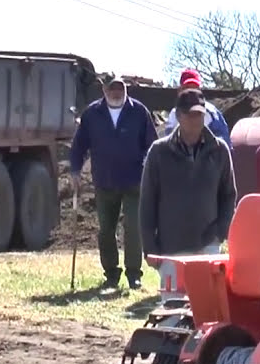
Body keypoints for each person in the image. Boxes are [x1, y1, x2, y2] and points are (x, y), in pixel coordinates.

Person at [139, 89, 238, 298]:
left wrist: (219, 234)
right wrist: (149, 247)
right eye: (191, 114)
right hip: (171, 249)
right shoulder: (159, 152)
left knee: (207, 311)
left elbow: (228, 195)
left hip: (207, 248)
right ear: (178, 116)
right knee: (172, 315)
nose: (196, 120)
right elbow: (147, 202)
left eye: (200, 114)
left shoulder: (220, 151)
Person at [69, 77, 157, 290]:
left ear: (125, 89)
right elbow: (79, 145)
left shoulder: (139, 112)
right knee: (106, 230)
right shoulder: (92, 114)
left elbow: (152, 144)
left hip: (134, 181)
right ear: (104, 90)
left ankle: (134, 274)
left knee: (134, 228)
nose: (116, 93)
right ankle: (111, 274)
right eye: (112, 89)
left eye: (120, 88)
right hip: (104, 181)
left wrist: (149, 166)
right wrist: (75, 170)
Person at [161, 69, 232, 148]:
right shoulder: (173, 114)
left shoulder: (209, 113)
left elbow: (222, 148)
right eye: (187, 87)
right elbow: (168, 145)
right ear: (179, 91)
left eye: (195, 88)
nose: (191, 92)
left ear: (200, 90)